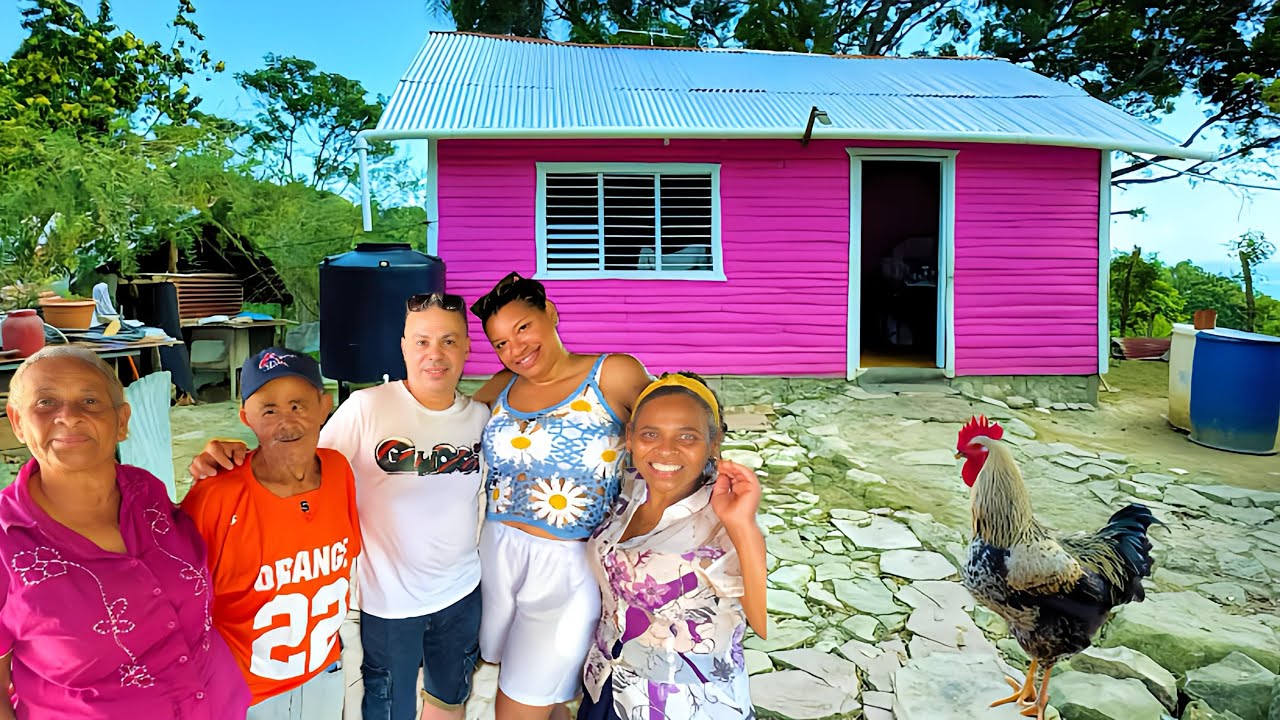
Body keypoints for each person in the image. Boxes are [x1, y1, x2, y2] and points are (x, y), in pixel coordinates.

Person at [189, 293, 489, 720]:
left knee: (449, 698)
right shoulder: (366, 407)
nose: (434, 354)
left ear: (466, 347)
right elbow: (297, 459)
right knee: (389, 707)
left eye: (448, 341)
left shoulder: (480, 417)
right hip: (389, 601)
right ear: (403, 345)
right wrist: (224, 457)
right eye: (422, 342)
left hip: (461, 592)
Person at [0, 346, 250, 719]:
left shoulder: (146, 491)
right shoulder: (8, 541)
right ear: (18, 422)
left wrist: (227, 472)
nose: (68, 417)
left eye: (89, 400)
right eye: (46, 402)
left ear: (121, 420)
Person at [469, 271, 652, 720]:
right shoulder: (502, 387)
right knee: (543, 695)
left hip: (570, 565)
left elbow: (670, 431)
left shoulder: (612, 372)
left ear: (550, 314)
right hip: (496, 557)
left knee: (517, 704)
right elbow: (450, 432)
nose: (515, 349)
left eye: (523, 329)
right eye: (500, 343)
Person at [181, 348, 362, 719]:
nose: (286, 422)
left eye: (298, 405)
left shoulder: (338, 470)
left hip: (324, 673)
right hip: (244, 692)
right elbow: (178, 602)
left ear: (325, 405)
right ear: (245, 416)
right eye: (269, 410)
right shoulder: (217, 493)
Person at [578, 372, 767, 720]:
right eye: (651, 434)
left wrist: (742, 525)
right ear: (630, 438)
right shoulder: (631, 489)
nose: (666, 450)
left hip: (683, 702)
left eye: (687, 436)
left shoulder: (723, 516)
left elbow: (760, 622)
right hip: (607, 682)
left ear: (714, 443)